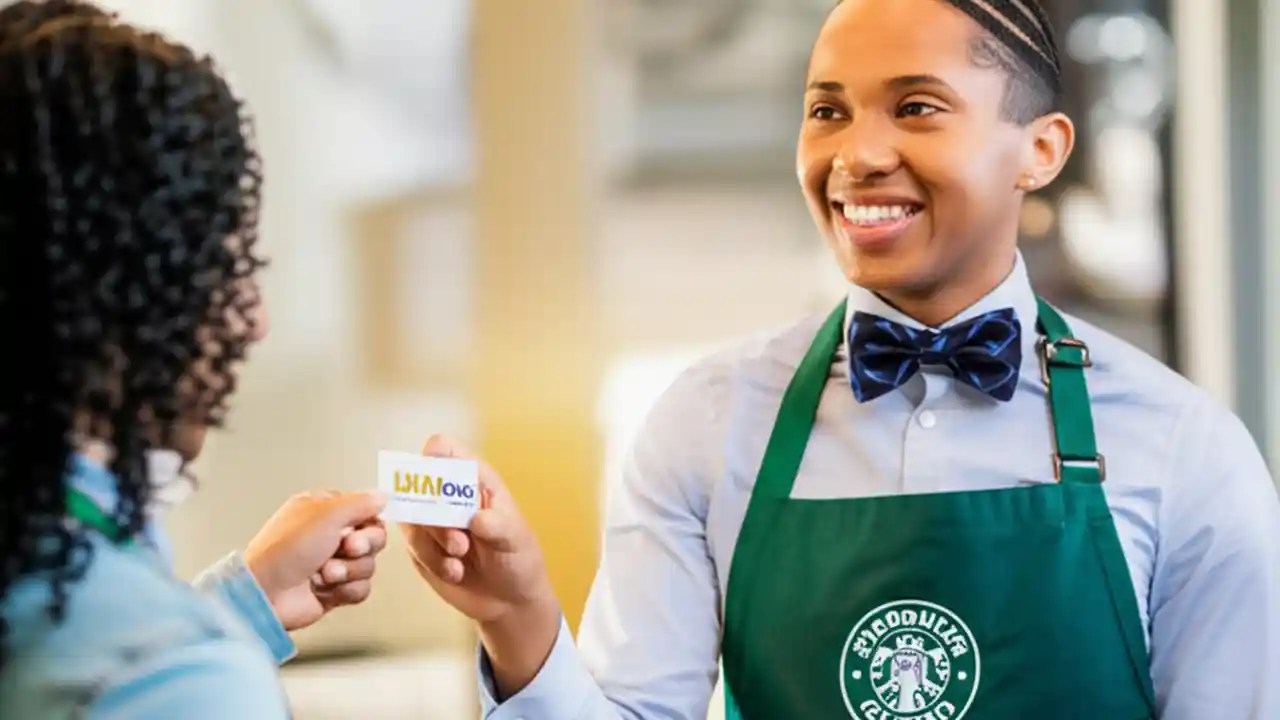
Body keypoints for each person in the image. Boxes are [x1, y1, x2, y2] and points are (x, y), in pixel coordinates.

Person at [404, 0, 1280, 718]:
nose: (855, 155)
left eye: (916, 107)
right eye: (827, 110)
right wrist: (516, 615)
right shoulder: (708, 422)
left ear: (1040, 150)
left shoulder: (1184, 448)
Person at [0, 2, 388, 717]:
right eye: (228, 264)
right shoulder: (181, 677)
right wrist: (199, 652)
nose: (256, 321)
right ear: (119, 292)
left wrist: (241, 606)